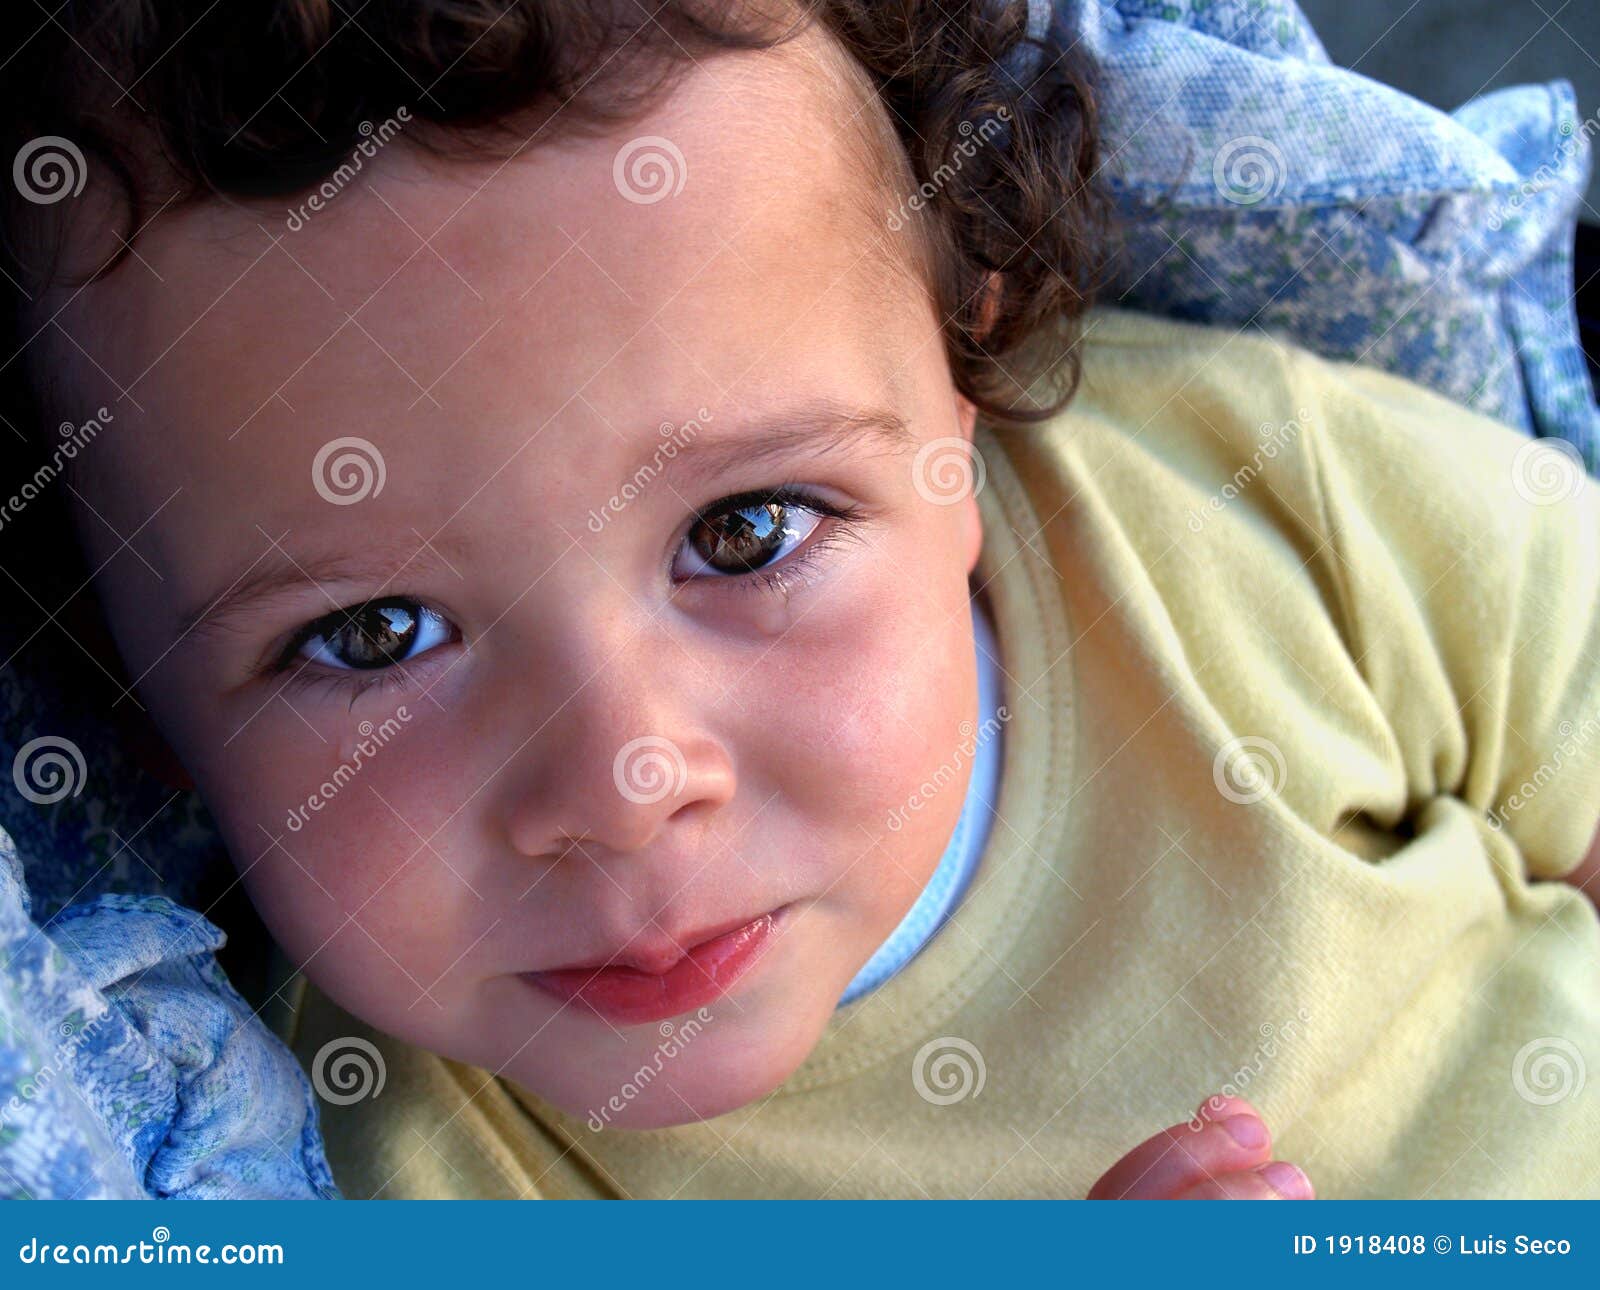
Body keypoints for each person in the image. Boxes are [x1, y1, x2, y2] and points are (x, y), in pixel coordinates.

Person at [1, 0, 1595, 1199]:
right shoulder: (413, 1157)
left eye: (748, 530)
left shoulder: (1247, 494)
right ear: (138, 708)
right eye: (372, 636)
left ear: (960, 372)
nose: (625, 785)